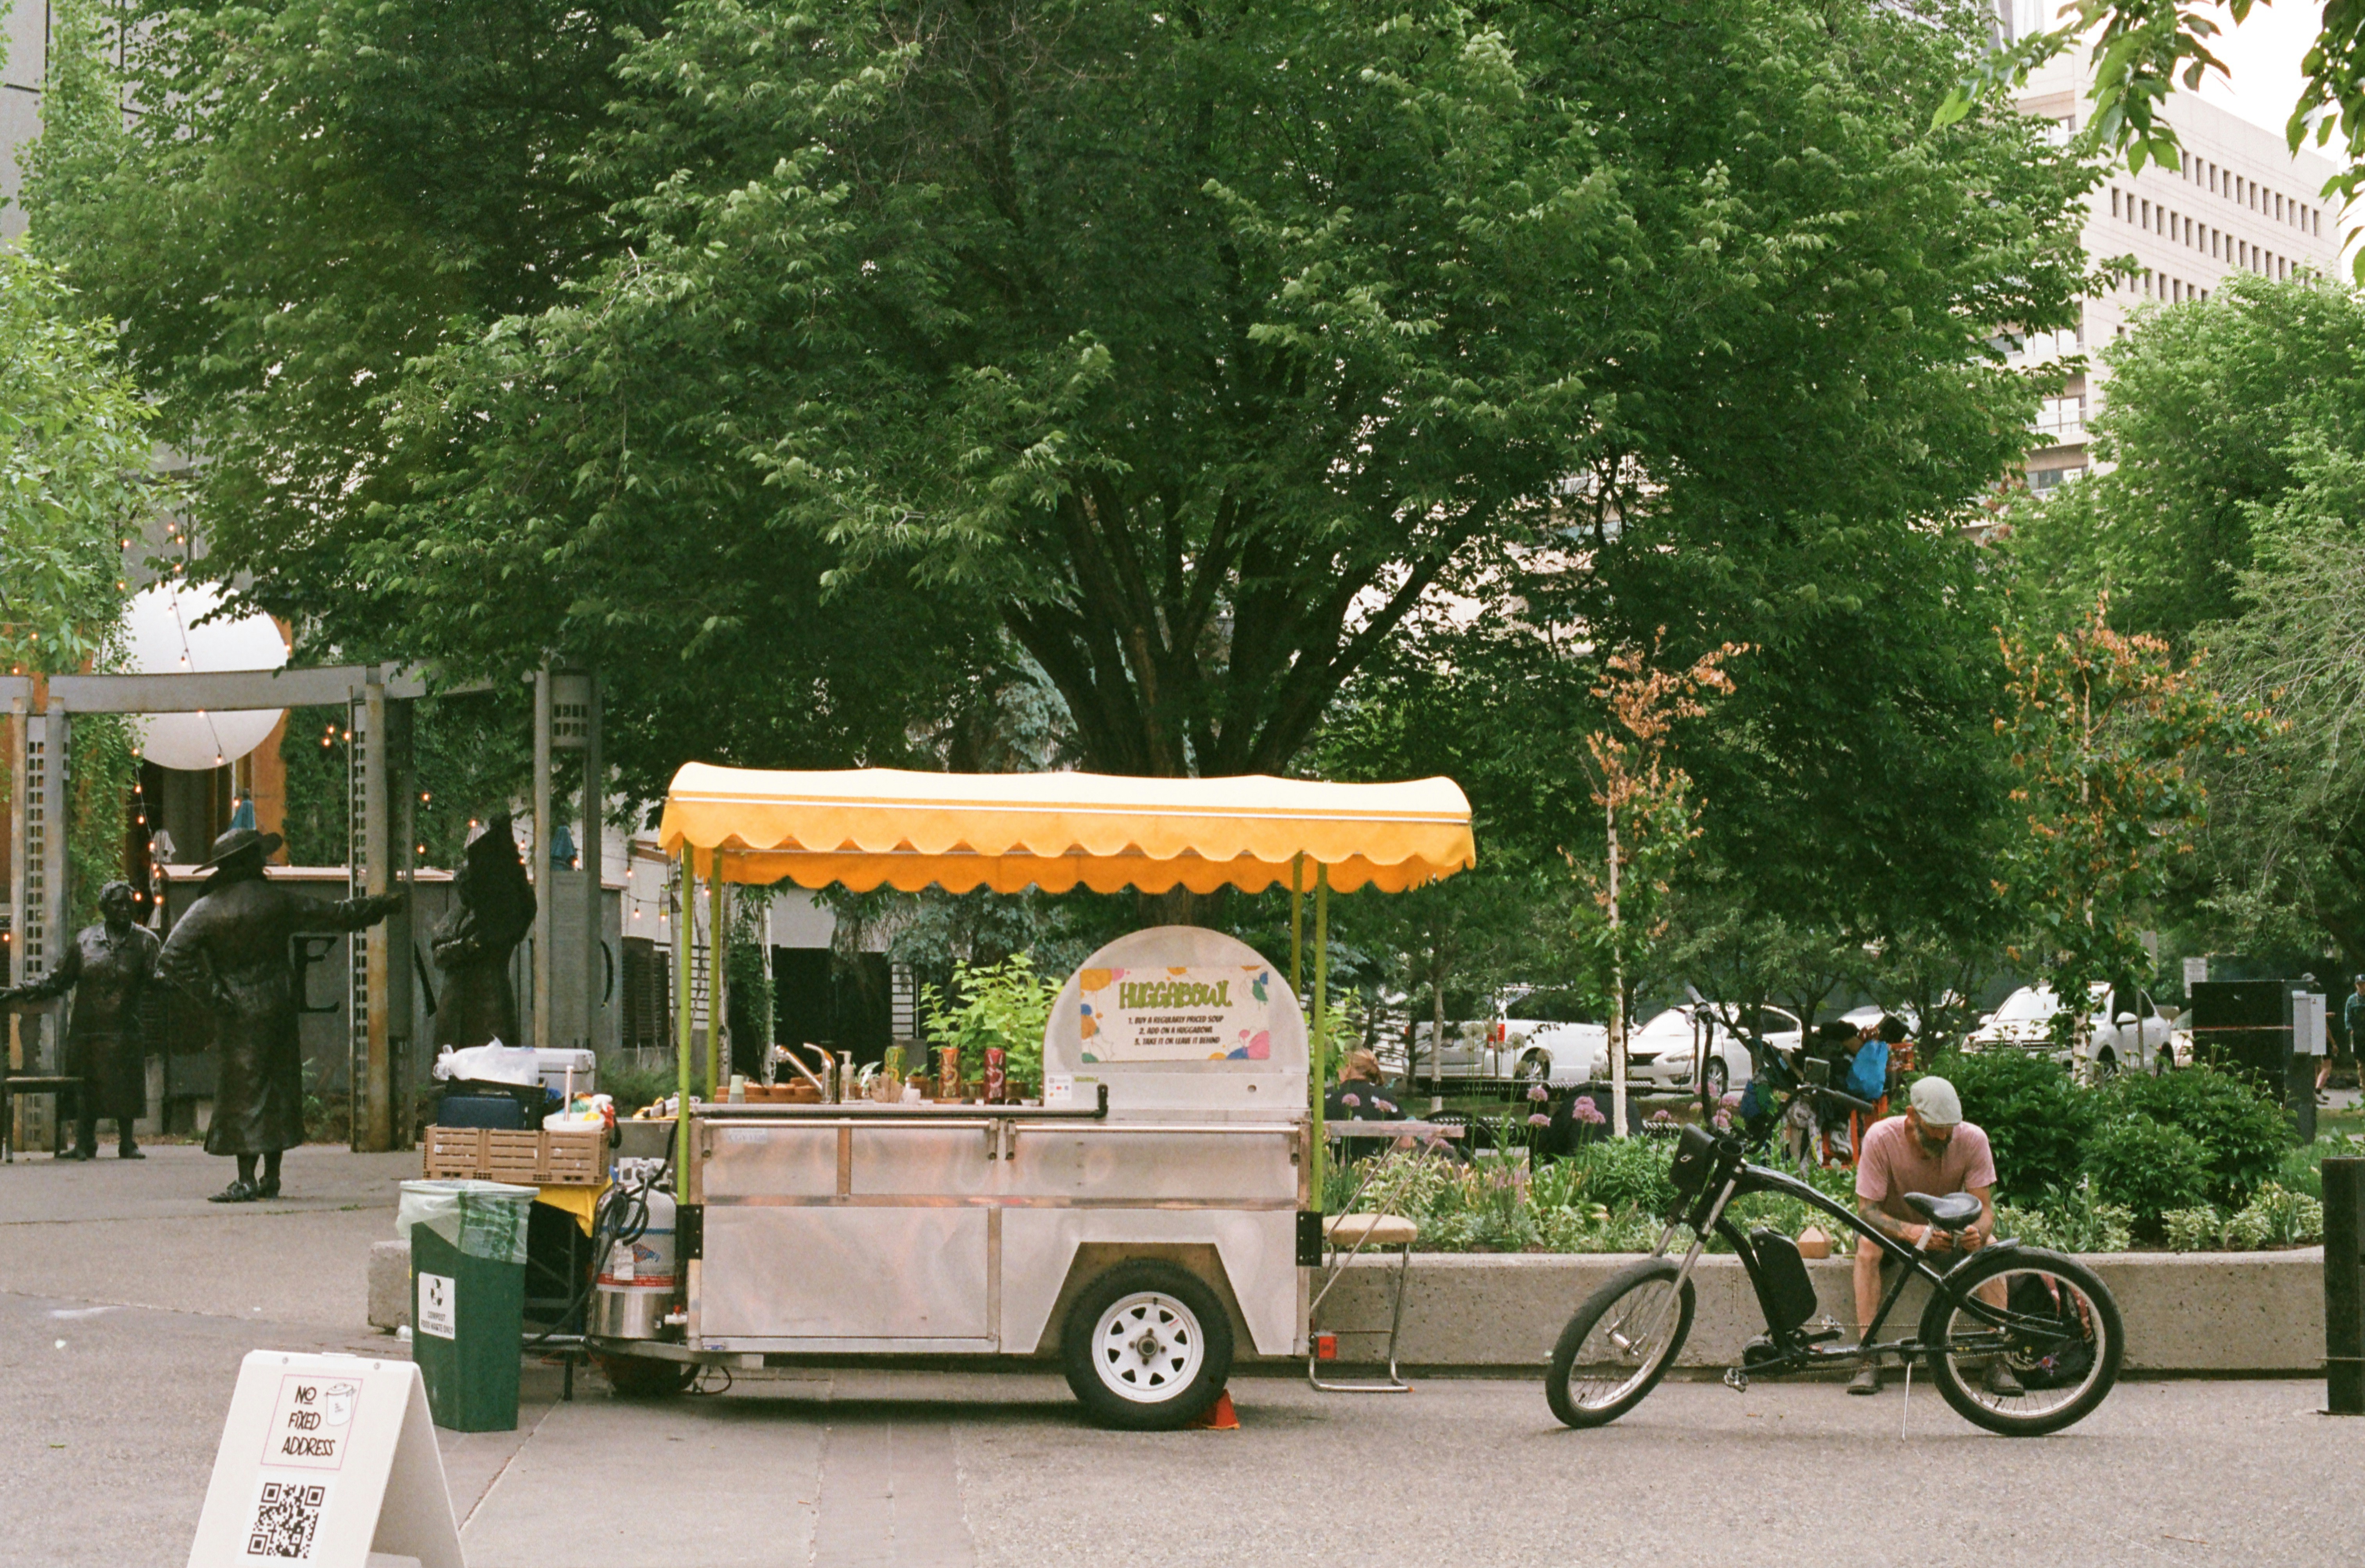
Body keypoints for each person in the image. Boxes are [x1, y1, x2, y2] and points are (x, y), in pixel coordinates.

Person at [157, 827, 404, 1203]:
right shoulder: (276, 901)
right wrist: (379, 906)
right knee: (278, 1086)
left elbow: (172, 956)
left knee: (244, 1091)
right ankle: (271, 1176)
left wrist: (213, 994)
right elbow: (335, 915)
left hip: (238, 1010)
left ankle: (246, 1179)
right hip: (278, 1003)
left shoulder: (208, 908)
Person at [1847, 1075, 2018, 1397]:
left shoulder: (1973, 1139)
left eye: (1949, 1130)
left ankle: (1998, 1356)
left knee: (1991, 1247)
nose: (1942, 1137)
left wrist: (1976, 1232)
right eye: (1933, 1129)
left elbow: (1985, 1211)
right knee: (1868, 1246)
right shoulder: (1880, 1138)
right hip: (1896, 1232)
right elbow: (1867, 1211)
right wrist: (1912, 1233)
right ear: (1912, 1115)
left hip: (1949, 1232)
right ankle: (1868, 1356)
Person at [0, 881, 161, 1160]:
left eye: (128, 903)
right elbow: (57, 978)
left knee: (126, 1080)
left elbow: (158, 978)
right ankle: (85, 1141)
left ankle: (128, 1140)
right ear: (105, 909)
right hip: (87, 1029)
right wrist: (21, 990)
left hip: (125, 1027)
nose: (124, 908)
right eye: (117, 904)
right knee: (86, 1078)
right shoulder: (85, 940)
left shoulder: (146, 941)